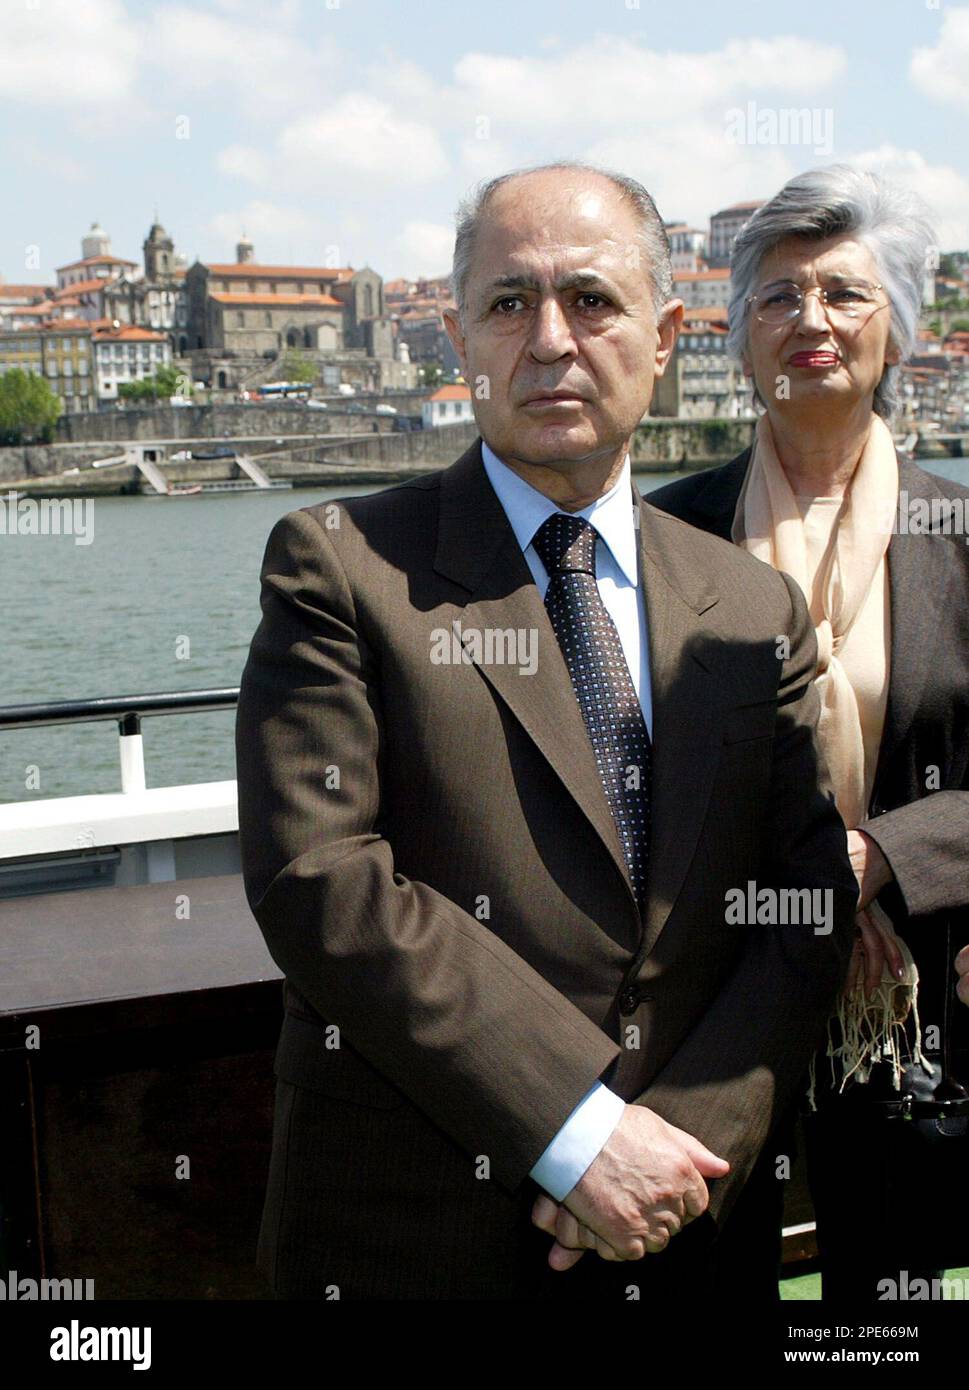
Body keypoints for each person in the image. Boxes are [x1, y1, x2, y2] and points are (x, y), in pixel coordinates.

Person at [234, 161, 856, 1302]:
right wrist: (579, 1133)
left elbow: (805, 899)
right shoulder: (340, 563)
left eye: (593, 299)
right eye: (509, 304)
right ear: (457, 334)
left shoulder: (752, 606)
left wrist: (678, 1150)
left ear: (667, 336)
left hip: (690, 1230)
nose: (552, 340)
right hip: (420, 1243)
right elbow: (319, 876)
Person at [650, 165, 969, 1300]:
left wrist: (880, 855)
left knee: (894, 1291)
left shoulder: (961, 532)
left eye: (846, 293)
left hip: (908, 996)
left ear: (899, 331)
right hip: (716, 997)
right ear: (738, 339)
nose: (812, 322)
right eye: (777, 298)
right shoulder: (665, 533)